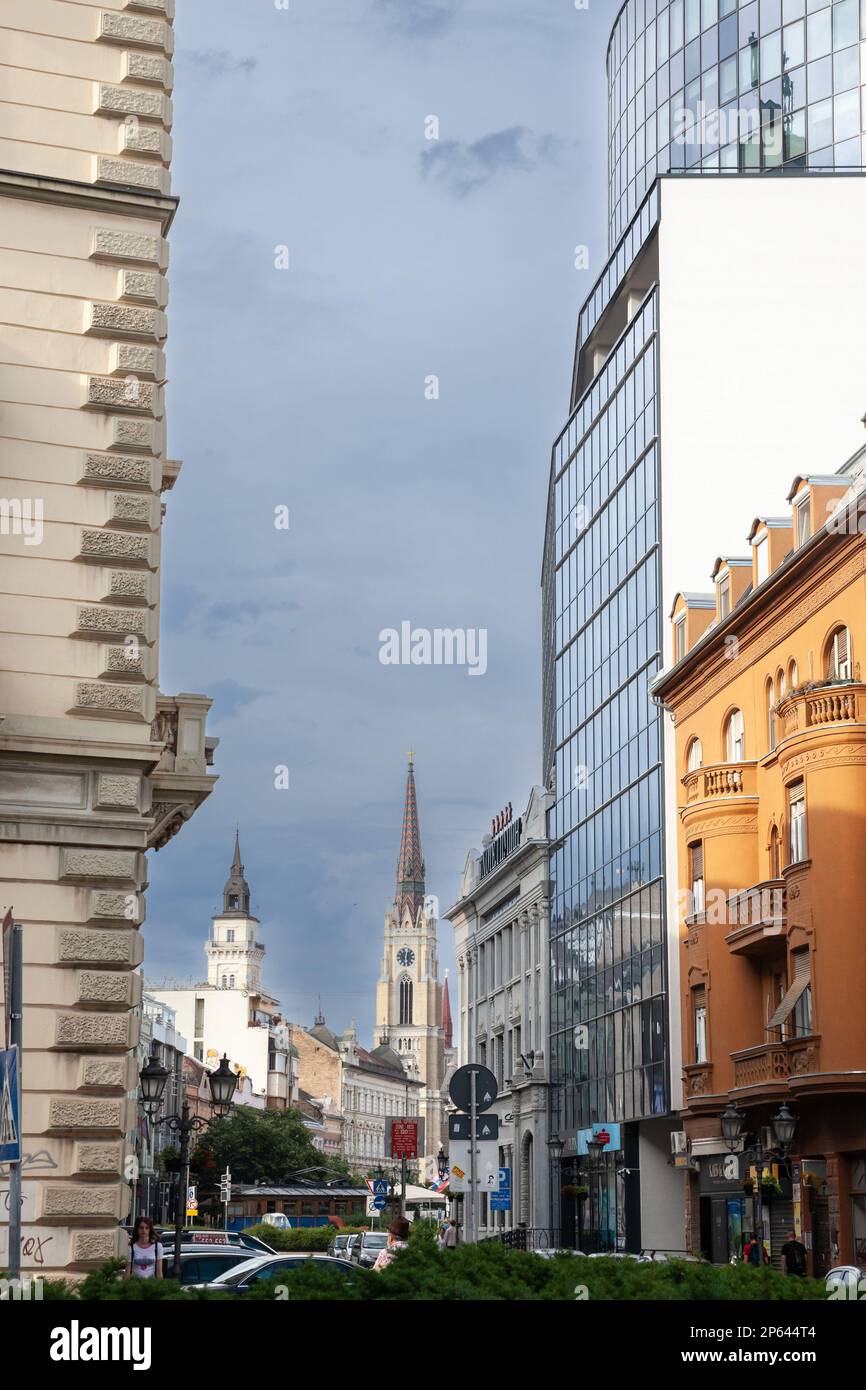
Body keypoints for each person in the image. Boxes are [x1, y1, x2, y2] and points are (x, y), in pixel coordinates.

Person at [125, 1216, 164, 1280]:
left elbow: (159, 1272)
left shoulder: (157, 1247)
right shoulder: (131, 1248)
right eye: (141, 1228)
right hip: (135, 1285)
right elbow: (127, 1272)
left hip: (151, 1285)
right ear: (137, 1229)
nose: (144, 1230)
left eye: (147, 1228)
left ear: (150, 1229)